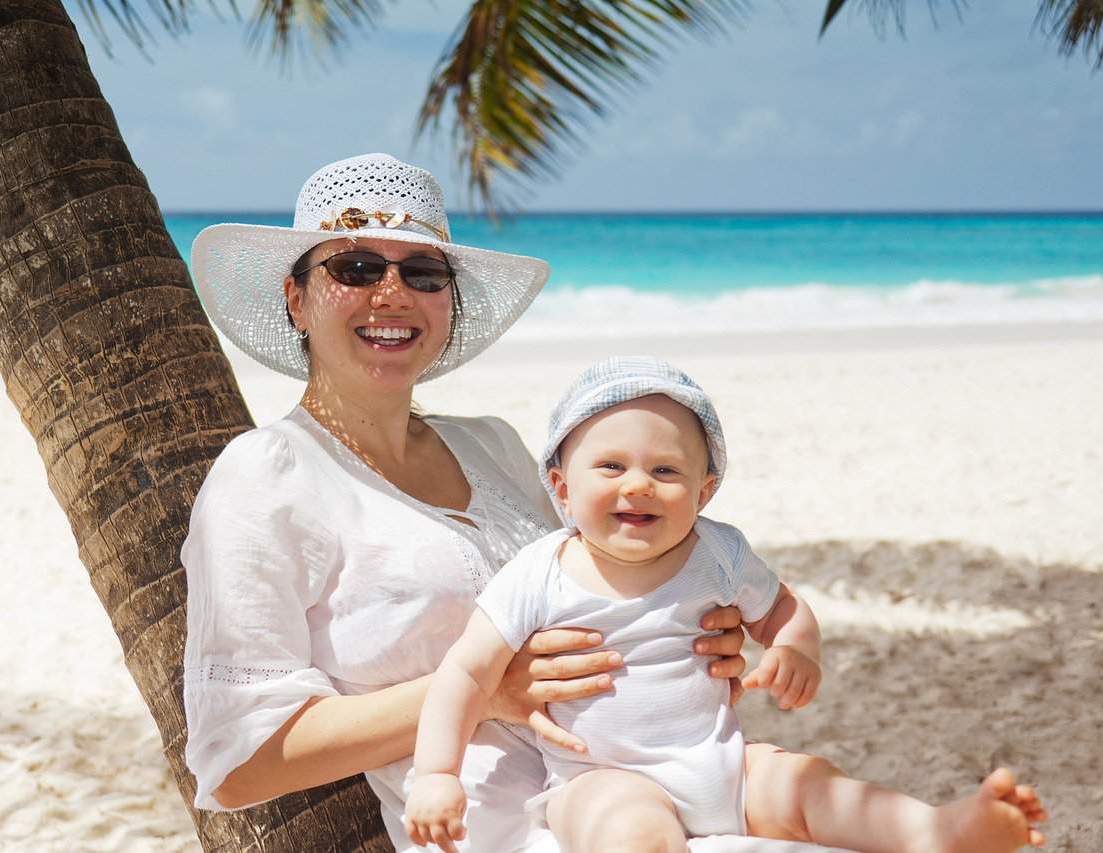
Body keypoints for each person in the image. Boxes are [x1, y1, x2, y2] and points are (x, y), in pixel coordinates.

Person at [184, 152, 819, 853]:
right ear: (297, 298)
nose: (391, 293)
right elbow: (240, 761)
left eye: (423, 273)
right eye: (356, 267)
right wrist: (485, 689)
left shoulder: (493, 445)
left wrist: (694, 621)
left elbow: (592, 591)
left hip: (658, 792)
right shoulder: (266, 476)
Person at [404, 357, 1049, 853]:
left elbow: (785, 611)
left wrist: (797, 650)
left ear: (704, 491)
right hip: (599, 776)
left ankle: (938, 829)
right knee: (627, 829)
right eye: (610, 466)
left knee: (811, 783)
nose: (638, 485)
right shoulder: (539, 573)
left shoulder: (718, 553)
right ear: (560, 486)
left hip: (724, 766)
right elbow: (466, 673)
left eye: (665, 471)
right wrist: (438, 771)